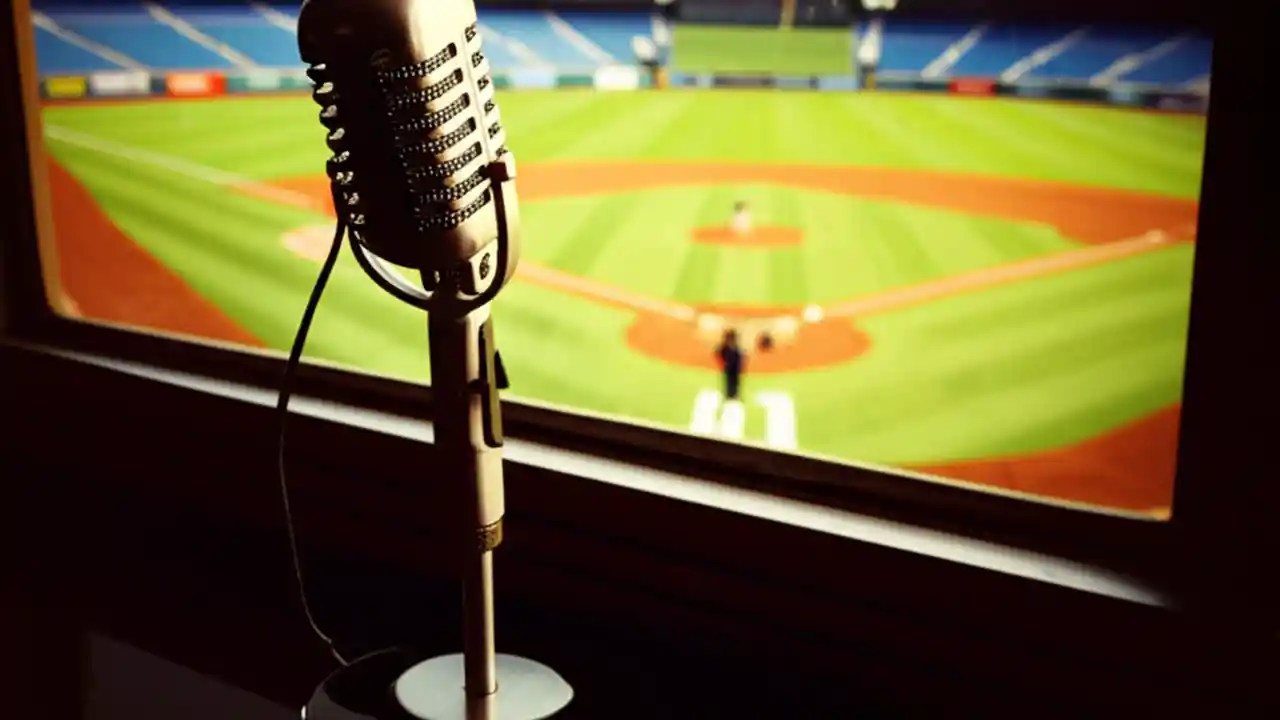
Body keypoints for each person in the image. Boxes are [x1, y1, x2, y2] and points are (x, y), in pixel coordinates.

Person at [715, 328, 745, 401]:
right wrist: (723, 363)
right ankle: (729, 394)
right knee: (729, 381)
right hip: (729, 367)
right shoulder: (725, 346)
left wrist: (740, 365)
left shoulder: (735, 347)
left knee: (735, 381)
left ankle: (735, 394)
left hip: (735, 367)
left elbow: (740, 357)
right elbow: (718, 353)